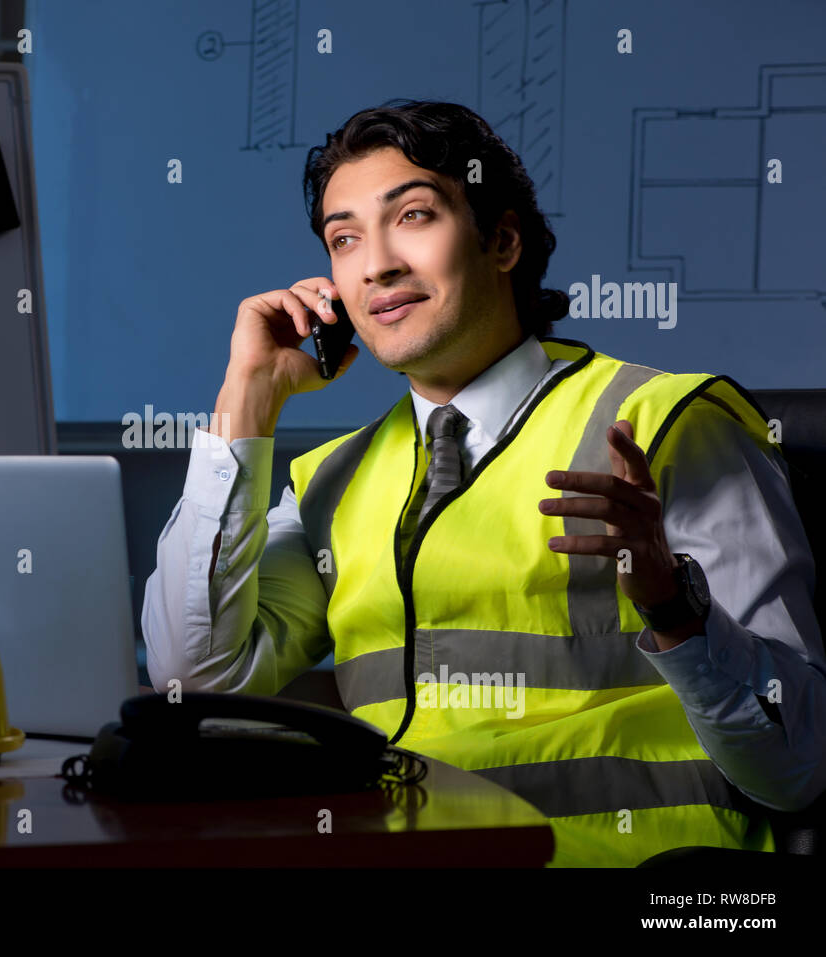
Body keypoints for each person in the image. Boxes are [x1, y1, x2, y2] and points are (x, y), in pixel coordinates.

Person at [141, 100, 825, 867]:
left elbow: (796, 764)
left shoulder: (661, 423)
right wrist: (248, 397)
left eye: (415, 216)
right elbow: (191, 677)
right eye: (344, 239)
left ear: (502, 241)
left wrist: (675, 606)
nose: (376, 265)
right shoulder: (332, 480)